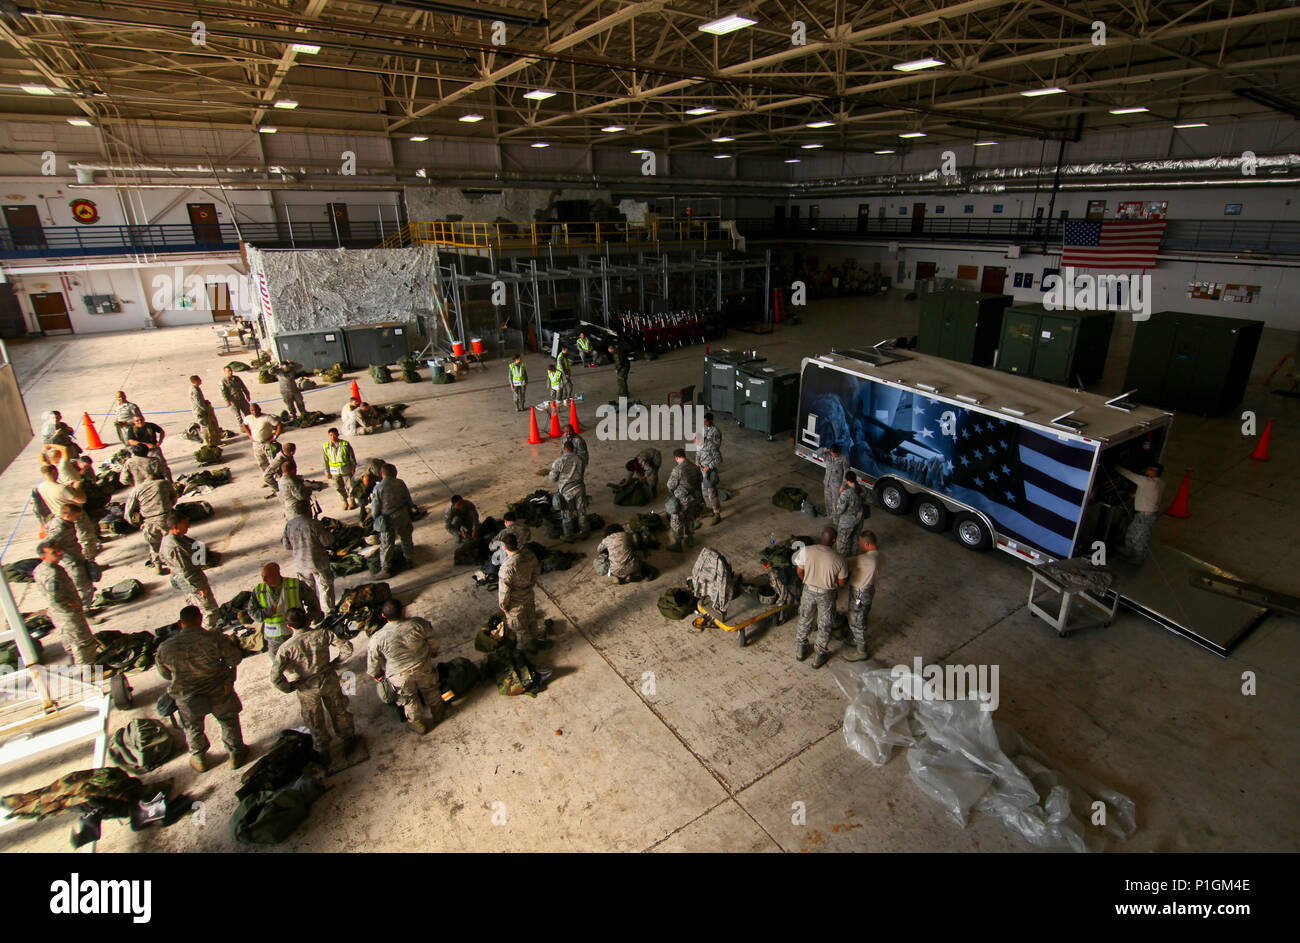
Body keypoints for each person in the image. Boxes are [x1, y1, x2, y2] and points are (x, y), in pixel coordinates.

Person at [155, 605, 250, 772]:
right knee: (228, 720)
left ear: (180, 623)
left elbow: (165, 675)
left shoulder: (165, 647)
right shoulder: (214, 638)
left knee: (192, 726)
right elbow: (234, 659)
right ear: (200, 619)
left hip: (187, 696)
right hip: (219, 690)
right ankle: (236, 753)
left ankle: (199, 758)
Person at [270, 607, 357, 756]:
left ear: (289, 626)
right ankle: (348, 740)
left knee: (314, 719)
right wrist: (335, 663)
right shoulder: (323, 634)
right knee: (339, 710)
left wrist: (289, 687)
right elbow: (347, 648)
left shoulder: (285, 649)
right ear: (308, 621)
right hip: (328, 679)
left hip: (306, 687)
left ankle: (323, 749)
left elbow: (275, 677)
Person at [367, 598, 444, 735]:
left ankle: (418, 725)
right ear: (403, 610)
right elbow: (433, 640)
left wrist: (376, 674)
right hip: (423, 668)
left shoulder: (377, 638)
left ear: (384, 616)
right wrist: (433, 651)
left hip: (400, 676)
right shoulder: (419, 624)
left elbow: (373, 661)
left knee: (409, 700)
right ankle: (439, 714)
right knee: (432, 690)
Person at [34, 541, 101, 666]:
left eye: (58, 550)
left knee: (70, 642)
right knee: (84, 643)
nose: (59, 553)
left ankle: (77, 664)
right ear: (44, 556)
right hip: (68, 615)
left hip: (57, 614)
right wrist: (72, 605)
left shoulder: (40, 569)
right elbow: (56, 598)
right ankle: (87, 672)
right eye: (54, 552)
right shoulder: (52, 575)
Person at [793, 526, 848, 669]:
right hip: (826, 594)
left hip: (808, 590)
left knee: (805, 617)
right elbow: (842, 582)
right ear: (834, 540)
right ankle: (818, 655)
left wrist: (807, 579)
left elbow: (799, 571)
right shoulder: (839, 559)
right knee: (825, 623)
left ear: (821, 535)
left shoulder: (807, 551)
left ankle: (801, 649)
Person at [158, 511, 222, 630]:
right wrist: (200, 587)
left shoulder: (168, 539)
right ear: (175, 527)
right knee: (209, 610)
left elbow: (161, 557)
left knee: (195, 606)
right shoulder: (176, 547)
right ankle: (207, 633)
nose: (188, 526)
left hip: (184, 580)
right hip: (192, 583)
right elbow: (187, 571)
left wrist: (172, 567)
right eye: (185, 524)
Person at [247, 562, 322, 658]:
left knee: (302, 659)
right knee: (277, 662)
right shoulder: (259, 590)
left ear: (277, 574)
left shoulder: (295, 585)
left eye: (267, 576)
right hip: (274, 637)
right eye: (262, 577)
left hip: (295, 633)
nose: (264, 580)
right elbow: (252, 612)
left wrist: (308, 619)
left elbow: (314, 603)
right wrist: (268, 611)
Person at [498, 534, 548, 653]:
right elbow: (536, 571)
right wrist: (529, 585)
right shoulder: (529, 555)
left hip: (515, 602)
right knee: (531, 620)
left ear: (504, 548)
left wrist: (503, 606)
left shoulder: (507, 567)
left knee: (519, 628)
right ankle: (534, 642)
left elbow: (504, 590)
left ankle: (524, 650)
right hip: (528, 594)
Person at [36, 464, 97, 560]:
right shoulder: (63, 489)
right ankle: (90, 562)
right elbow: (82, 499)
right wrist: (78, 487)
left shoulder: (41, 487)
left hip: (60, 515)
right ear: (53, 471)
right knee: (87, 539)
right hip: (75, 515)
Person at [42, 507, 96, 609]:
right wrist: (56, 556)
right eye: (76, 516)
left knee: (82, 586)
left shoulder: (60, 521)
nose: (78, 518)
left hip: (74, 558)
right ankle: (85, 611)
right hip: (72, 562)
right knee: (84, 587)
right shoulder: (60, 528)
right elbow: (44, 544)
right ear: (67, 515)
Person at [124, 466, 177, 573]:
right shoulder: (164, 483)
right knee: (172, 543)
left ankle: (158, 566)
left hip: (149, 521)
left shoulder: (137, 489)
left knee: (154, 545)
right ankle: (174, 566)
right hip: (166, 517)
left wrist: (136, 523)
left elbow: (128, 512)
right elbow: (174, 499)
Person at [283, 513, 337, 612]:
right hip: (318, 563)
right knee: (324, 588)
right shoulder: (314, 524)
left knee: (308, 592)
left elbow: (286, 545)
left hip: (301, 565)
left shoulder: (289, 525)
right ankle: (329, 614)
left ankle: (314, 613)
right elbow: (327, 541)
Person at [370, 462, 416, 577]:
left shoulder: (378, 488)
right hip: (403, 515)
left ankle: (385, 570)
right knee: (406, 538)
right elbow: (408, 500)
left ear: (381, 474)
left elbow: (375, 508)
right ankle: (409, 560)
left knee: (386, 544)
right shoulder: (400, 483)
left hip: (388, 519)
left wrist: (375, 518)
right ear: (395, 473)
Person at [1117, 463, 1165, 562]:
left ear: (1153, 471)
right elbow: (1151, 493)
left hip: (1145, 515)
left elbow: (1129, 475)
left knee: (1140, 538)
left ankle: (1138, 558)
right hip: (1148, 514)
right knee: (1132, 532)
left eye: (1148, 468)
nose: (1146, 469)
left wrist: (1116, 466)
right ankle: (1129, 550)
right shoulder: (1160, 483)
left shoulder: (1147, 481)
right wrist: (1136, 495)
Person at [844, 531, 879, 662]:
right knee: (863, 615)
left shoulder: (864, 560)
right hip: (869, 590)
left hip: (859, 593)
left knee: (856, 620)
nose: (860, 546)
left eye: (861, 544)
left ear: (867, 544)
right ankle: (856, 639)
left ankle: (861, 650)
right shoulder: (877, 556)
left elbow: (843, 563)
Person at [548, 440, 589, 540]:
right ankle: (584, 532)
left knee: (567, 513)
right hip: (580, 488)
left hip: (566, 492)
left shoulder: (559, 461)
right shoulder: (580, 459)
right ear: (573, 449)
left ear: (564, 449)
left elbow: (553, 478)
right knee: (581, 511)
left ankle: (568, 535)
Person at [665, 448, 702, 552]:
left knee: (676, 521)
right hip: (692, 497)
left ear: (676, 458)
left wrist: (674, 492)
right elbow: (700, 480)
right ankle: (690, 540)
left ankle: (678, 544)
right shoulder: (694, 466)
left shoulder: (677, 470)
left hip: (681, 500)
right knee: (690, 518)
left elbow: (670, 485)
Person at [694, 412, 723, 525]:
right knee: (704, 491)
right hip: (702, 469)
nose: (705, 423)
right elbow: (697, 452)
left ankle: (717, 514)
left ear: (711, 420)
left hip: (709, 470)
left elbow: (718, 457)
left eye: (706, 421)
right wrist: (697, 463)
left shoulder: (716, 432)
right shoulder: (702, 432)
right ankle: (709, 509)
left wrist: (708, 467)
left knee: (712, 492)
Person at [127, 413, 171, 483]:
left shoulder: (151, 426)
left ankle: (169, 482)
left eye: (141, 420)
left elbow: (161, 431)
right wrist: (146, 445)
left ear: (144, 419)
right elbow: (131, 441)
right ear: (134, 422)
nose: (139, 422)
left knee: (163, 467)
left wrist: (159, 442)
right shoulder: (131, 429)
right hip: (140, 452)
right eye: (137, 421)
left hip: (153, 450)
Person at [243, 402, 283, 480]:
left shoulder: (267, 417)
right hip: (256, 444)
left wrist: (275, 436)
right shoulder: (248, 418)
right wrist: (249, 435)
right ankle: (268, 478)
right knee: (261, 462)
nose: (254, 412)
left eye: (255, 410)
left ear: (259, 409)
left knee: (273, 462)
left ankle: (279, 478)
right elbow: (244, 425)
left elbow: (279, 425)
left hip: (267, 443)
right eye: (252, 410)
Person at [322, 427, 358, 510]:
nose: (333, 437)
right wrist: (327, 472)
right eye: (331, 435)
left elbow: (351, 457)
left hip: (346, 470)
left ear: (338, 434)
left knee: (350, 486)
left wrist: (353, 467)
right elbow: (325, 460)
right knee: (338, 488)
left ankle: (352, 501)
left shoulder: (345, 444)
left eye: (334, 435)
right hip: (334, 472)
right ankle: (345, 502)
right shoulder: (326, 446)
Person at [833, 471, 867, 558]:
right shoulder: (862, 489)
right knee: (855, 538)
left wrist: (840, 494)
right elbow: (868, 500)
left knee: (843, 541)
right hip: (859, 519)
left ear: (846, 480)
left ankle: (842, 560)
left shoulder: (846, 494)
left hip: (847, 521)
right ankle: (854, 557)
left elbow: (839, 510)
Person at [817, 443, 850, 518]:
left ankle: (836, 519)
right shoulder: (828, 455)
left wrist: (843, 485)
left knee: (835, 502)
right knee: (828, 501)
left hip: (836, 485)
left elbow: (846, 473)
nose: (834, 455)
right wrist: (826, 449)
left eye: (836, 454)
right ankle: (830, 516)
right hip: (827, 483)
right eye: (833, 453)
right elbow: (818, 452)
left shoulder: (844, 459)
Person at [189, 375, 220, 449]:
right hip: (200, 412)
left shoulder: (194, 388)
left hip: (199, 410)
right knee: (205, 427)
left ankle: (210, 442)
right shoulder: (195, 390)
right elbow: (198, 402)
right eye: (199, 379)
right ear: (196, 381)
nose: (201, 380)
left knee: (206, 427)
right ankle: (208, 443)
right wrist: (206, 409)